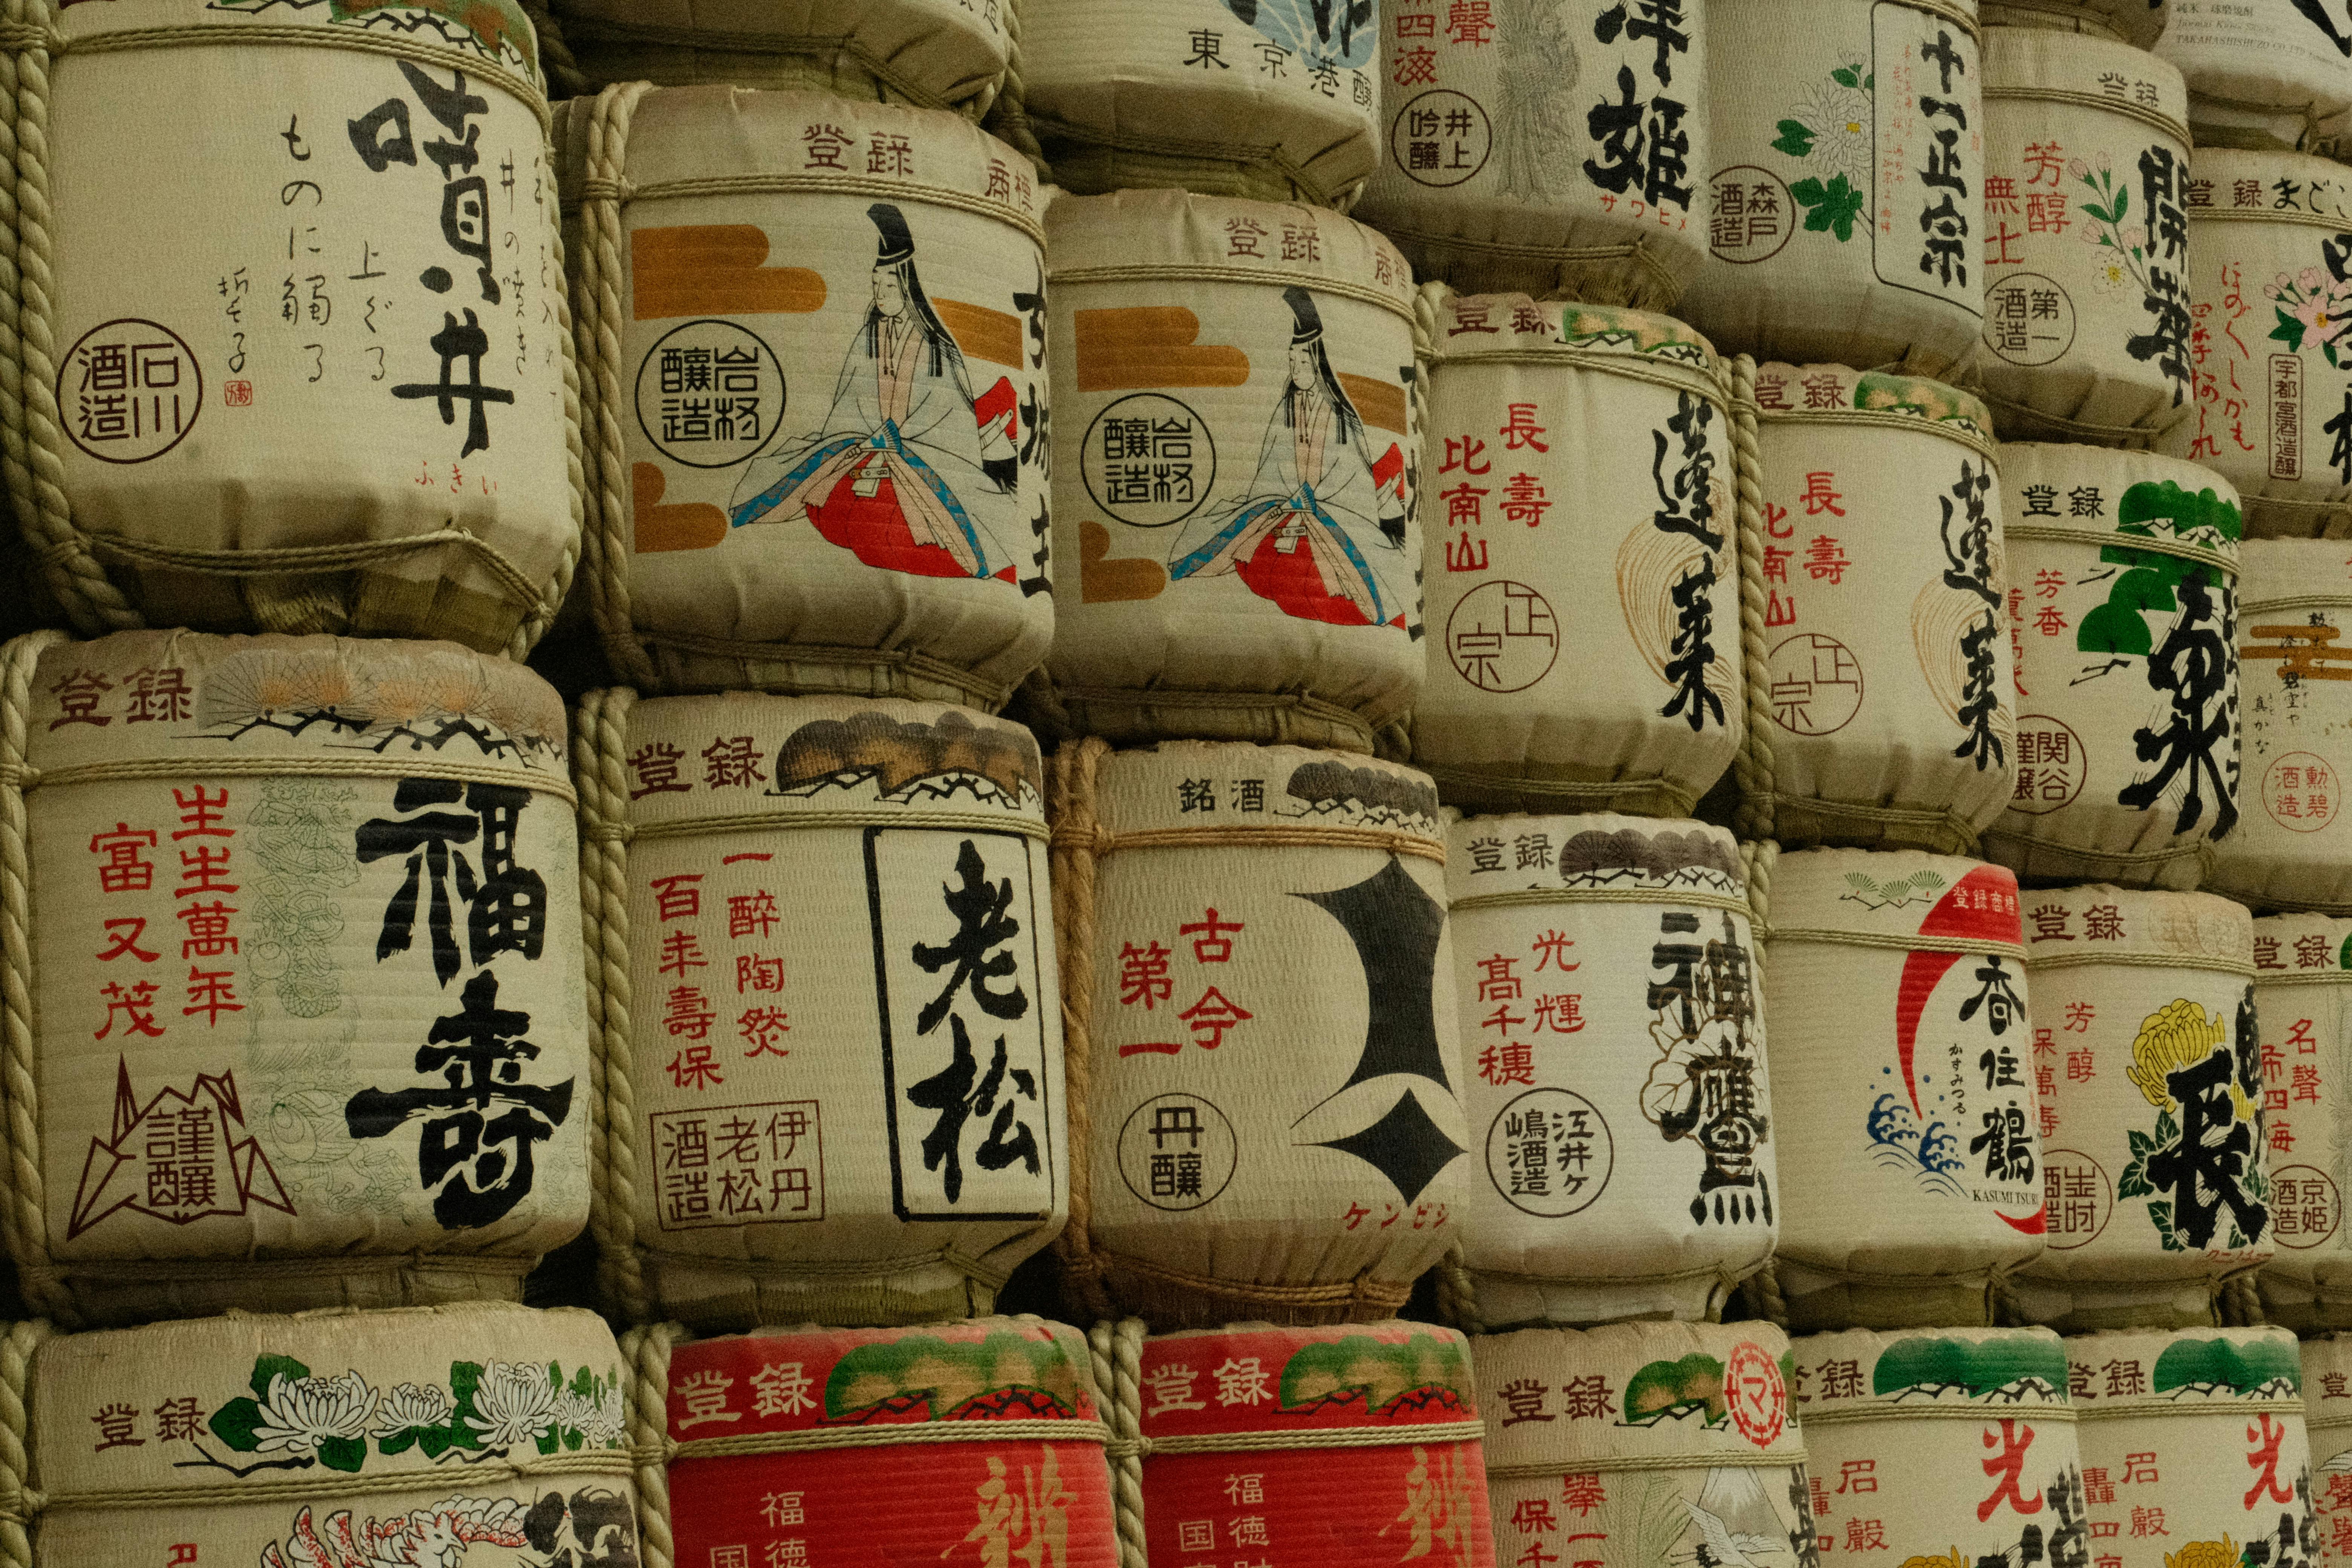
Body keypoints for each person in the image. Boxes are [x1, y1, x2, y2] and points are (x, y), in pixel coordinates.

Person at [729, 202, 1021, 580]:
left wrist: (895, 444)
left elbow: (944, 417)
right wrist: (866, 442)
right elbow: (851, 401)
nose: (880, 294)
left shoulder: (936, 347)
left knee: (885, 525)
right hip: (869, 447)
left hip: (921, 456)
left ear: (907, 286)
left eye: (889, 285)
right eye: (875, 285)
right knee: (828, 502)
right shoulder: (870, 333)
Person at [1167, 286, 1409, 626]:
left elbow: (1349, 475)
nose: (1296, 370)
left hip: (1331, 509)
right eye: (1291, 362)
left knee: (1332, 571)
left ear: (1318, 363)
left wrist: (1314, 499)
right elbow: (1274, 464)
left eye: (1303, 362)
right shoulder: (1286, 408)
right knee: (1249, 547)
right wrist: (1287, 498)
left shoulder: (1341, 416)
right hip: (1287, 502)